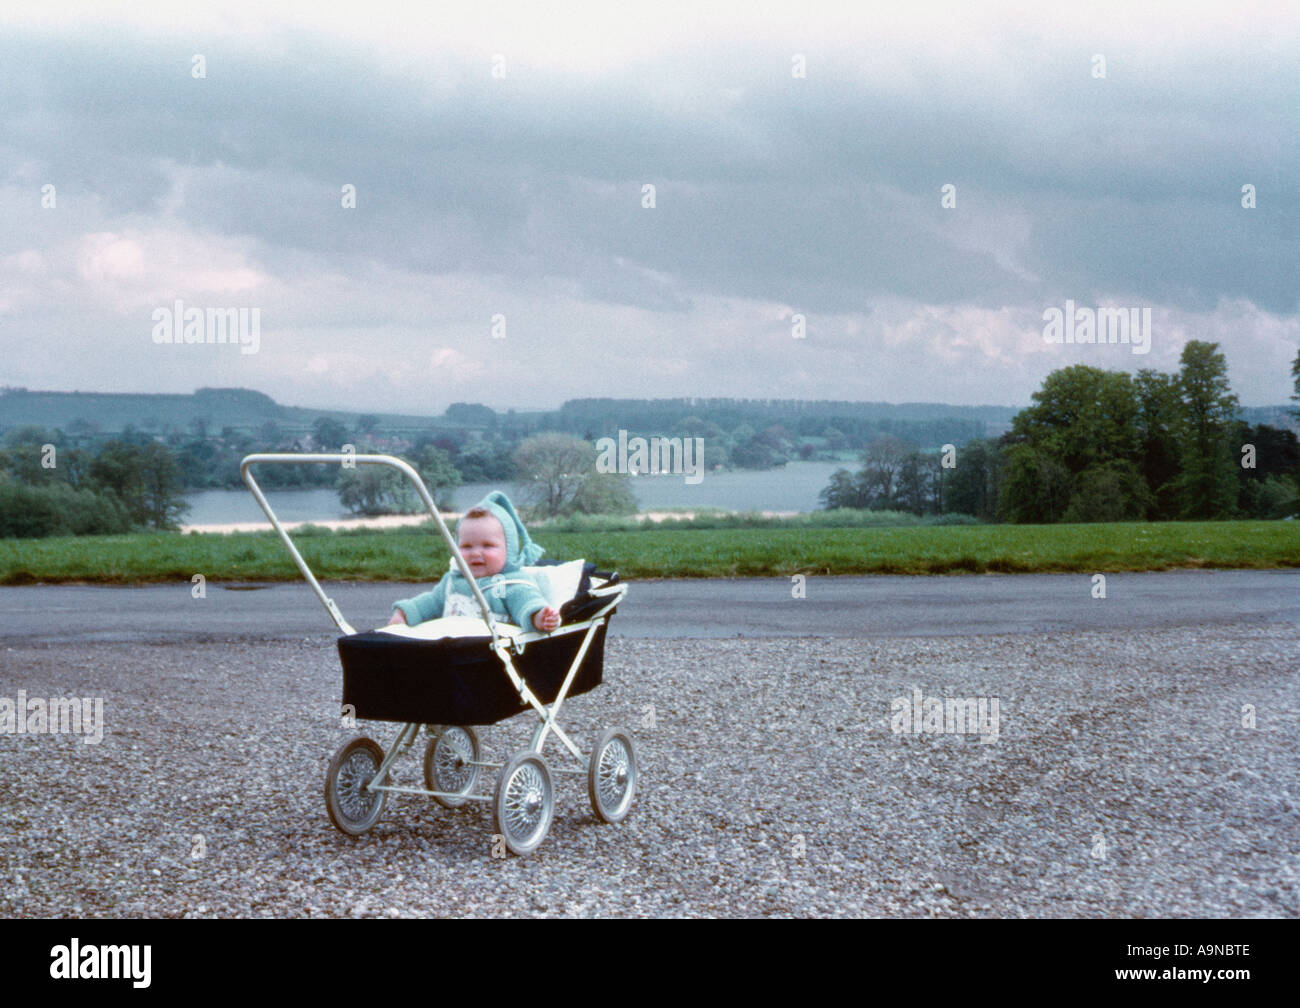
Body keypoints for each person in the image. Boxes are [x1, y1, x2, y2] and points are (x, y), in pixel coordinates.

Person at [388, 491, 560, 632]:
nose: (476, 553)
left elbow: (527, 603)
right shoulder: (452, 581)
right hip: (448, 654)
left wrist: (539, 616)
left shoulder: (510, 584)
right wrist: (404, 613)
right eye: (466, 546)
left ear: (509, 550)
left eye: (488, 546)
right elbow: (428, 603)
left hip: (489, 658)